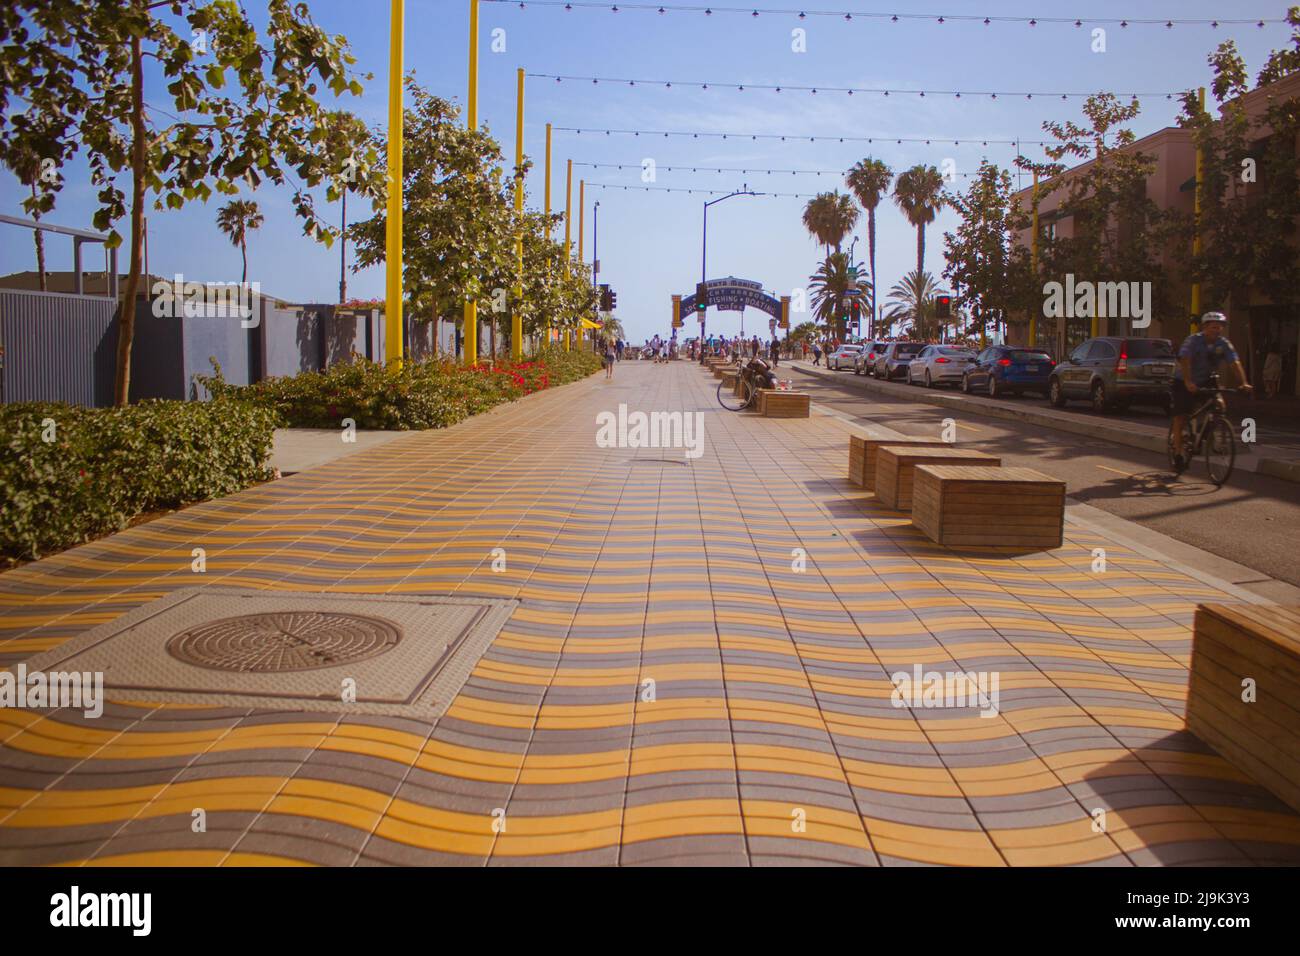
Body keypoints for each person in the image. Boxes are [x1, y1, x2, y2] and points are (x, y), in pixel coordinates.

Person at [1169, 311, 1251, 470]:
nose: (1217, 330)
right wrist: (1188, 382)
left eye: (1220, 327)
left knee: (1220, 404)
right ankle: (1178, 452)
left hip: (1207, 379)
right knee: (1180, 417)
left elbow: (1234, 363)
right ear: (1205, 327)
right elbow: (1185, 360)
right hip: (1183, 379)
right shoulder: (1193, 341)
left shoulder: (1223, 343)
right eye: (1214, 327)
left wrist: (1244, 382)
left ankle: (1209, 429)